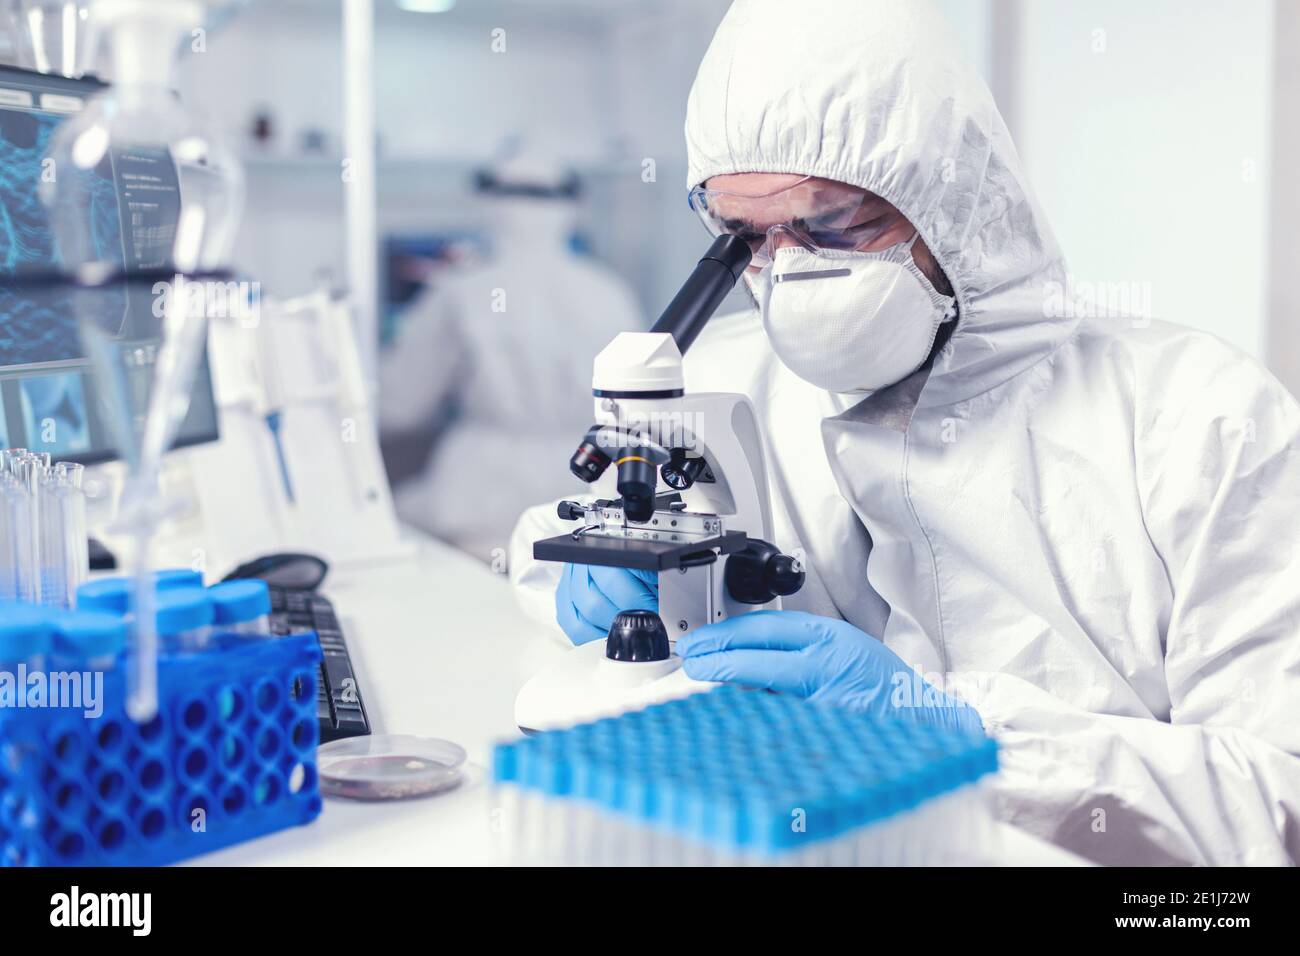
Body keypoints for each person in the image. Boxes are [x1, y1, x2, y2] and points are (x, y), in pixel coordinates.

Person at [510, 0, 1300, 865]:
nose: (793, 273)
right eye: (746, 240)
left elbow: (1278, 801)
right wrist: (583, 585)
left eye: (837, 226)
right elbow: (556, 537)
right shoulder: (727, 382)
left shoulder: (1202, 419)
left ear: (953, 197)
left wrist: (954, 736)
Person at [379, 156, 643, 563]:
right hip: (584, 490)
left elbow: (400, 407)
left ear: (490, 206)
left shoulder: (460, 292)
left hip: (478, 501)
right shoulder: (611, 295)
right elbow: (637, 409)